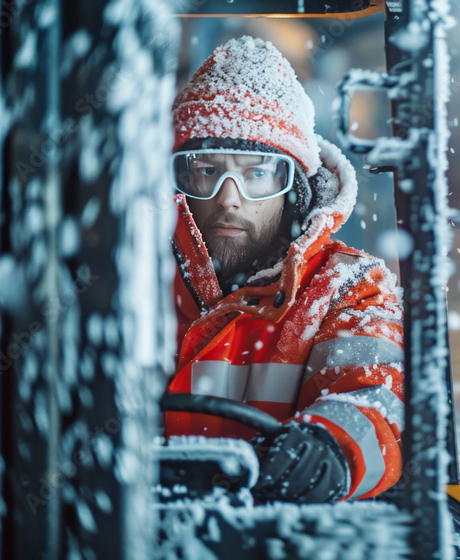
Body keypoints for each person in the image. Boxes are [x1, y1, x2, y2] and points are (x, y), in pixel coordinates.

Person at [163, 36, 404, 504]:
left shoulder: (348, 288)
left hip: (281, 530)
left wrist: (329, 446)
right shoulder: (129, 284)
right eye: (208, 170)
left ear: (293, 187)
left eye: (256, 174)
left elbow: (377, 401)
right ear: (180, 179)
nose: (229, 198)